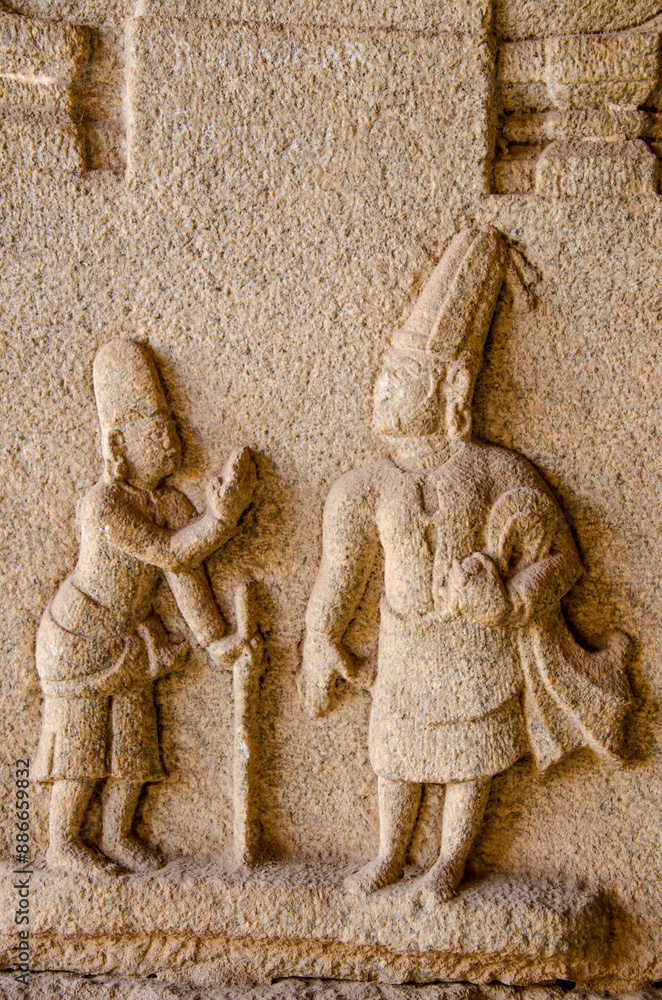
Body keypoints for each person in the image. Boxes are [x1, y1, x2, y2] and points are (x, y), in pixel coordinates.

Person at [301, 227, 631, 901]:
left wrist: (511, 600)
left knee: (467, 762)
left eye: (400, 383)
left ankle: (449, 861)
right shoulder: (364, 486)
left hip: (474, 649)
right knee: (394, 757)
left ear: (450, 389)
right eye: (382, 379)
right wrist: (322, 636)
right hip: (402, 649)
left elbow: (560, 556)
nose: (381, 393)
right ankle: (391, 851)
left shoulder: (492, 471)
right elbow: (338, 576)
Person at [33, 337, 259, 875]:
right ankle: (62, 842)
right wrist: (223, 519)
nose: (172, 439)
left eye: (173, 427)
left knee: (134, 742)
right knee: (82, 745)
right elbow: (167, 551)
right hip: (78, 639)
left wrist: (215, 641)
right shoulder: (104, 506)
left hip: (132, 636)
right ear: (118, 441)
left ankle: (118, 833)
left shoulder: (173, 502)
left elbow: (185, 577)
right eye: (157, 430)